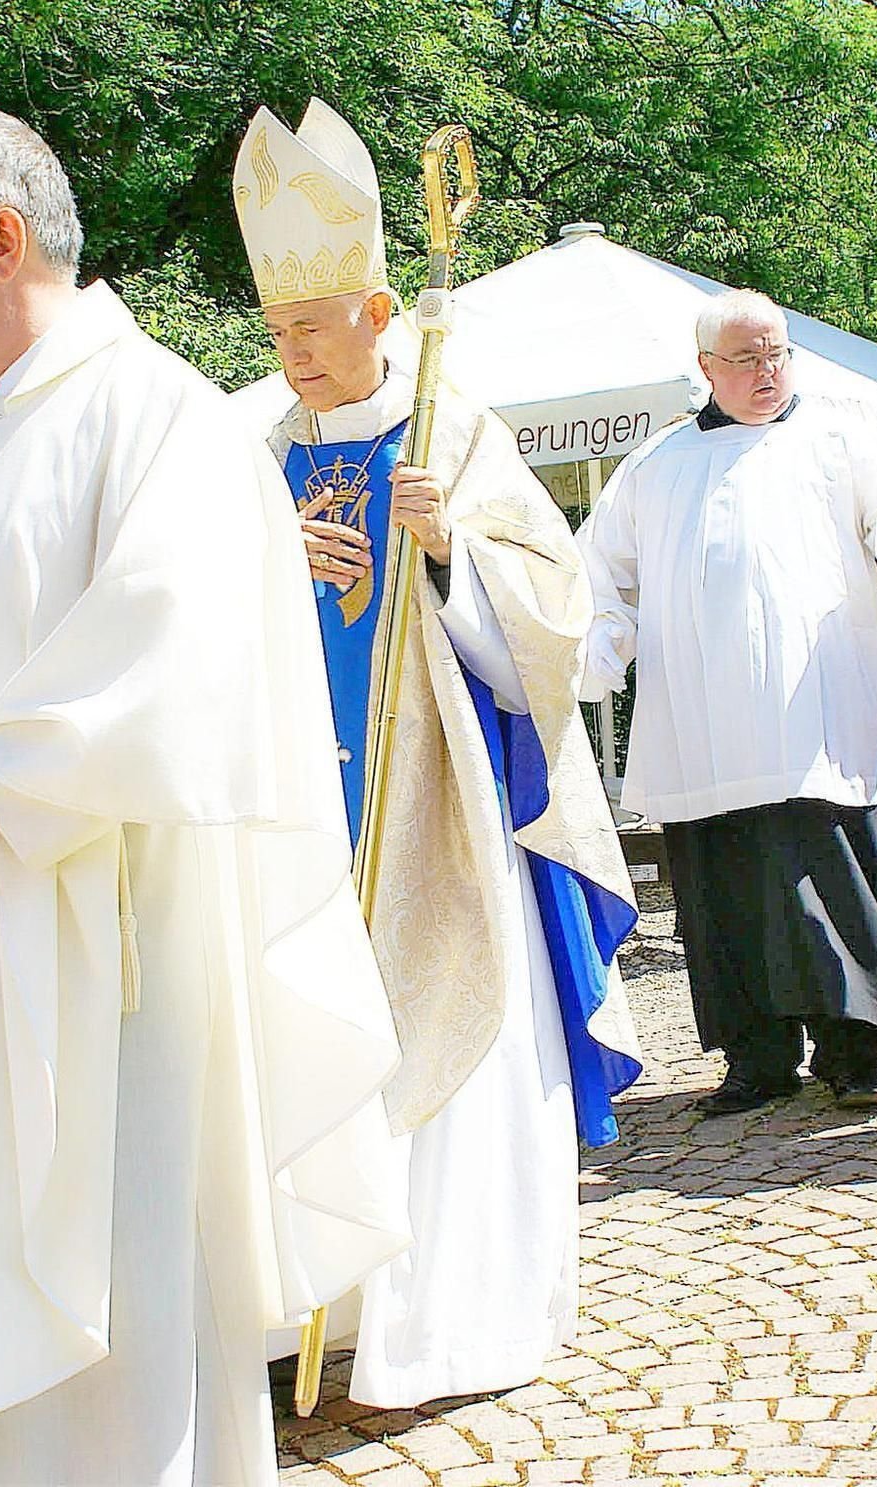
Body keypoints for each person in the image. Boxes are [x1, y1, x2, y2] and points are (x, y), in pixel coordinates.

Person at [0, 108, 409, 1485]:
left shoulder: (155, 416)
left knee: (99, 1331)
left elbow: (187, 652)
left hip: (86, 971)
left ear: (0, 238)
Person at [231, 98, 643, 1410]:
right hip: (305, 818)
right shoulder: (253, 461)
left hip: (442, 814)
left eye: (313, 323)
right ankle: (330, 1307)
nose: (292, 350)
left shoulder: (452, 432)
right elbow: (197, 625)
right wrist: (265, 564)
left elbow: (557, 620)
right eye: (278, 330)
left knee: (447, 1047)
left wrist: (453, 543)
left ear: (380, 307)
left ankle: (458, 1316)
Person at [577, 289, 877, 1116]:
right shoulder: (654, 466)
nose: (766, 371)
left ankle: (853, 1050)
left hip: (813, 713)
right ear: (706, 368)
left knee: (832, 872)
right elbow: (599, 578)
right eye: (747, 358)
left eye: (777, 353)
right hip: (703, 724)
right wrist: (595, 654)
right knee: (724, 893)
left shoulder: (839, 440)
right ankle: (754, 1058)